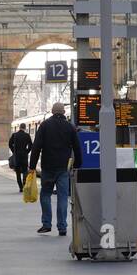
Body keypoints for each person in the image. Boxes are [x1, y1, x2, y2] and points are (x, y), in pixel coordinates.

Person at [28, 101, 80, 235]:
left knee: (45, 194)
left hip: (47, 167)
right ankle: (62, 227)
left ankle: (46, 224)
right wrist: (78, 164)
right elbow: (77, 148)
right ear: (63, 112)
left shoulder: (44, 126)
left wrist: (32, 166)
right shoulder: (70, 127)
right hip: (63, 168)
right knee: (62, 197)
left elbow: (36, 147)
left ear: (52, 112)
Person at [7, 123, 32, 191]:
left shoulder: (14, 135)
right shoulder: (27, 135)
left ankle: (20, 187)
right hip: (24, 156)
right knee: (25, 171)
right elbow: (30, 145)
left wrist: (13, 151)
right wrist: (27, 151)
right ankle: (24, 183)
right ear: (24, 128)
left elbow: (10, 144)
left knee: (17, 172)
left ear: (19, 127)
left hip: (17, 156)